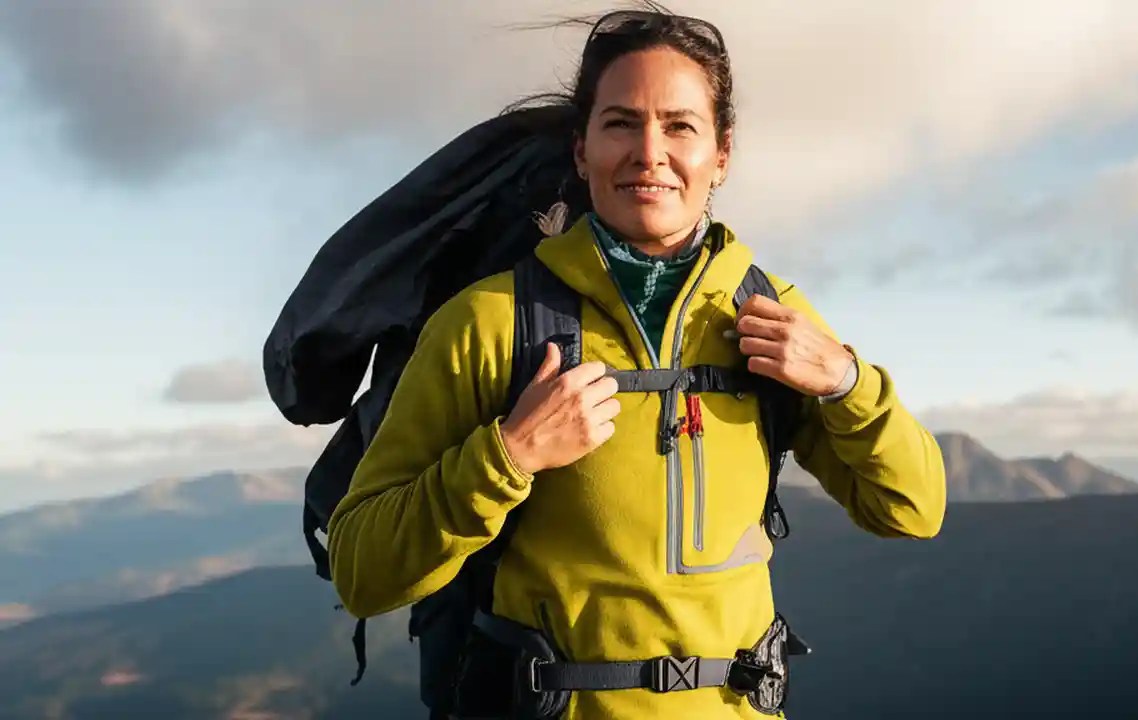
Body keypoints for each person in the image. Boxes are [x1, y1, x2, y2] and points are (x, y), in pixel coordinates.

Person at [326, 6, 946, 719]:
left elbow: (912, 509)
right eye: (621, 123)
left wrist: (845, 382)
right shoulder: (491, 322)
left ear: (722, 153)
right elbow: (361, 573)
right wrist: (509, 455)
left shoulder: (772, 316)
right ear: (582, 149)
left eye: (680, 125)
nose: (649, 151)